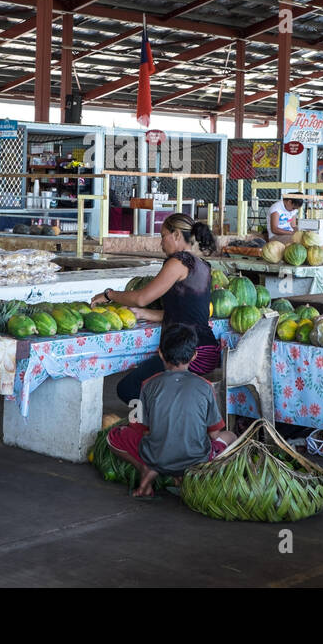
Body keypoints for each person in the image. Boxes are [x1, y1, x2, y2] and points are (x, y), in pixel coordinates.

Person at [94, 213, 221, 402]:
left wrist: (109, 295)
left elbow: (141, 298)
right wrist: (145, 314)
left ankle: (166, 421)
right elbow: (186, 312)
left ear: (177, 235)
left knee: (128, 389)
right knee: (147, 389)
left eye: (163, 236)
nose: (161, 243)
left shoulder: (179, 262)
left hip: (190, 354)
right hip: (207, 350)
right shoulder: (202, 265)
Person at [104, 323, 235, 499]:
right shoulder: (205, 386)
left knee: (113, 437)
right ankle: (195, 477)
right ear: (194, 355)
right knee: (231, 436)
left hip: (157, 460)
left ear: (160, 353)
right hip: (197, 461)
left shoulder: (148, 384)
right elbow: (213, 434)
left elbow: (143, 430)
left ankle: (146, 468)